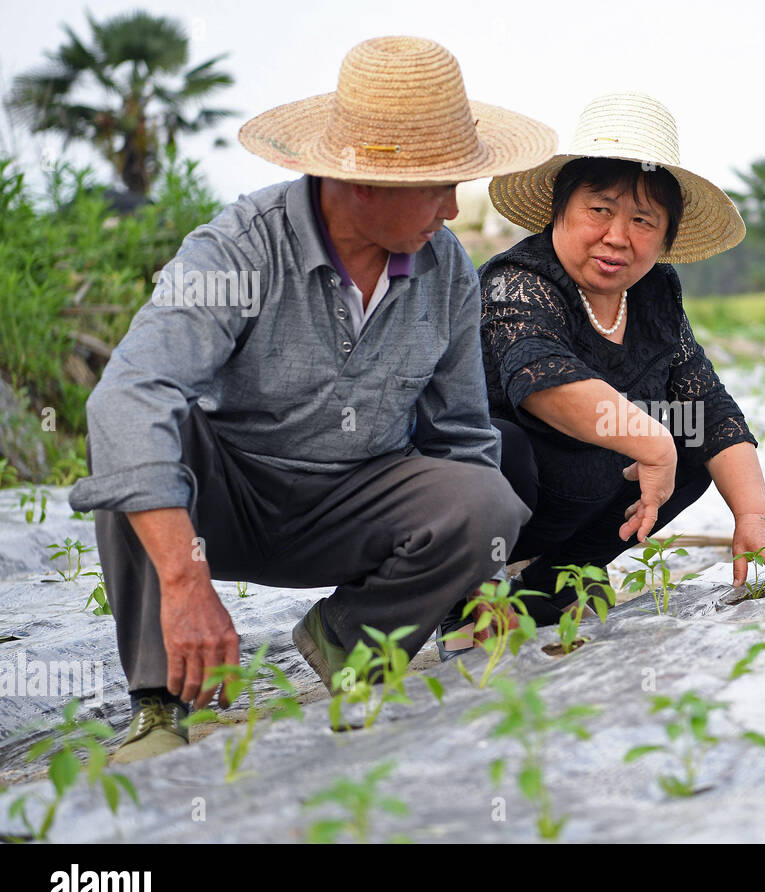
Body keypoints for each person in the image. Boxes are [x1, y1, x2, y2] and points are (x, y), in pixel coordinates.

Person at [68, 36, 557, 763]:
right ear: (359, 182)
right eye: (436, 186)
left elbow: (460, 432)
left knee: (484, 496)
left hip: (352, 504)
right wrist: (183, 577)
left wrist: (484, 580)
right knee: (136, 434)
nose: (453, 208)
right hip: (228, 497)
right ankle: (157, 707)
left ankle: (347, 642)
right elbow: (128, 397)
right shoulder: (239, 249)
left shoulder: (446, 268)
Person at [479, 92, 765, 627]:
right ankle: (470, 599)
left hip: (582, 495)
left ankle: (555, 581)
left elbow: (711, 408)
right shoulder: (518, 280)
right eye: (600, 209)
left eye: (643, 220)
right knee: (499, 444)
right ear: (560, 209)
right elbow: (540, 378)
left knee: (694, 434)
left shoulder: (654, 292)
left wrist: (754, 519)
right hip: (505, 498)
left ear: (667, 236)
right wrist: (652, 443)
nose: (617, 237)